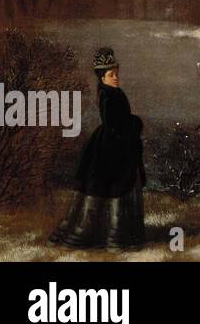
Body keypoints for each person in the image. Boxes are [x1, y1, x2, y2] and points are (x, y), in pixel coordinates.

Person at [50, 48, 146, 250]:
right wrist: (134, 123)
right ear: (102, 77)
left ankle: (119, 233)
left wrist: (130, 125)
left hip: (117, 142)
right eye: (111, 75)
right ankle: (111, 234)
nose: (116, 77)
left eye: (116, 74)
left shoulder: (116, 92)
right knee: (110, 183)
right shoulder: (107, 95)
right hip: (110, 145)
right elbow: (112, 122)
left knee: (117, 184)